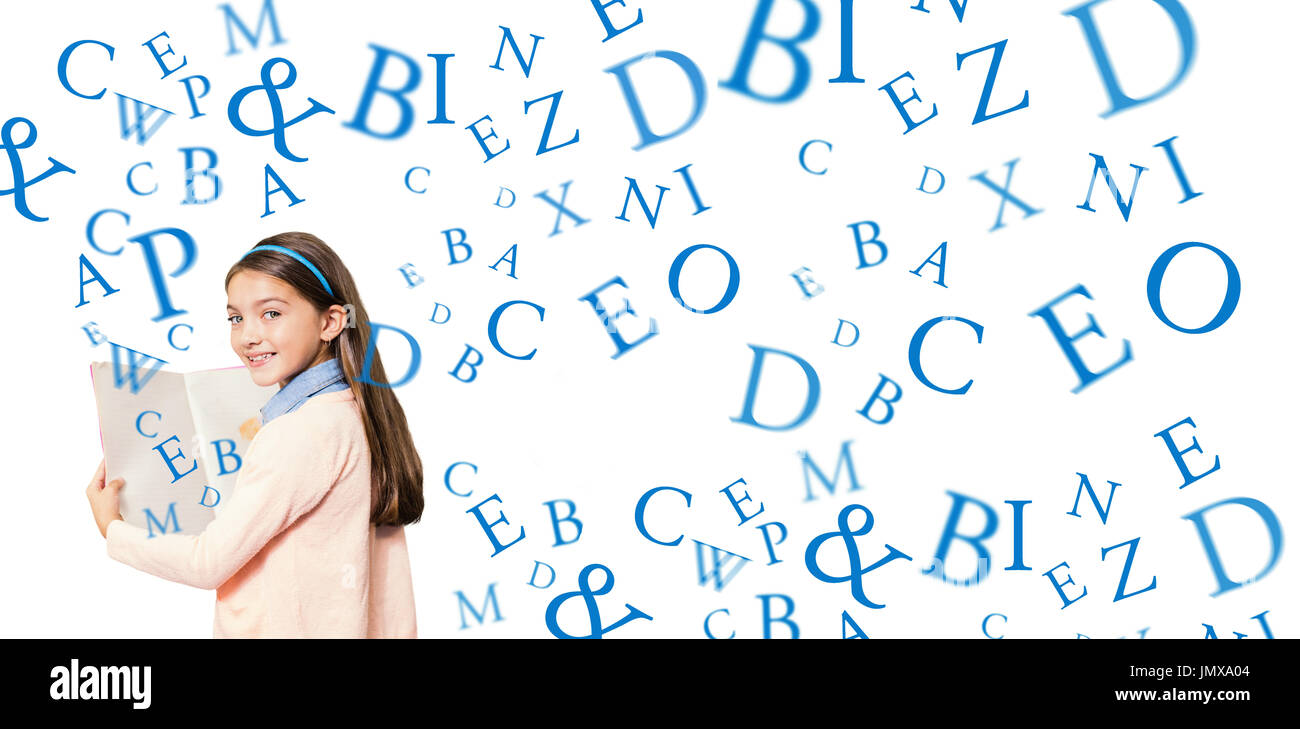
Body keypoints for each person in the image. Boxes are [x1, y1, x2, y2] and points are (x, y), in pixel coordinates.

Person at [85, 232, 423, 638]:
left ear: (330, 322)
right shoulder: (357, 415)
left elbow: (206, 562)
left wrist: (113, 528)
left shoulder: (301, 432)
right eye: (236, 318)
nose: (247, 336)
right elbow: (388, 596)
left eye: (272, 314)